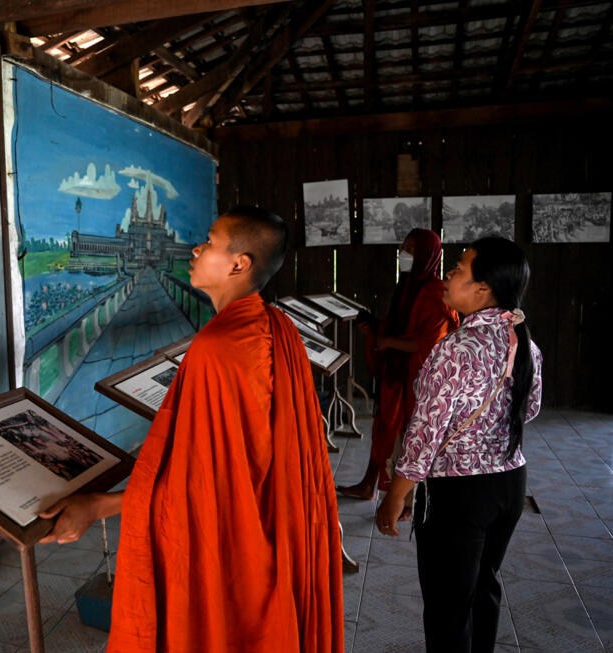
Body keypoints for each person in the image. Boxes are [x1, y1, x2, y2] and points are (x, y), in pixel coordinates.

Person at [39, 206, 344, 652]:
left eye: (209, 241)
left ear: (239, 264)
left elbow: (204, 487)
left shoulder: (219, 347)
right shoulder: (274, 325)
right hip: (272, 524)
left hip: (241, 538)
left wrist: (98, 506)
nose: (195, 249)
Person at [375, 236, 543, 653]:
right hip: (509, 482)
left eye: (459, 269)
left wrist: (396, 495)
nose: (449, 275)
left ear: (482, 289)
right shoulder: (524, 343)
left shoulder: (454, 349)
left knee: (448, 608)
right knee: (483, 588)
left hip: (460, 492)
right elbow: (531, 408)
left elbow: (424, 434)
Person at [337, 229, 458, 501]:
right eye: (404, 248)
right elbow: (401, 329)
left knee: (404, 434)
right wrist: (375, 329)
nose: (404, 254)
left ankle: (402, 499)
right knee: (384, 428)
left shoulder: (434, 294)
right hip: (396, 374)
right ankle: (369, 484)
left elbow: (427, 343)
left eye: (411, 250)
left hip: (416, 378)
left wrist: (388, 342)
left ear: (426, 255)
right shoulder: (408, 286)